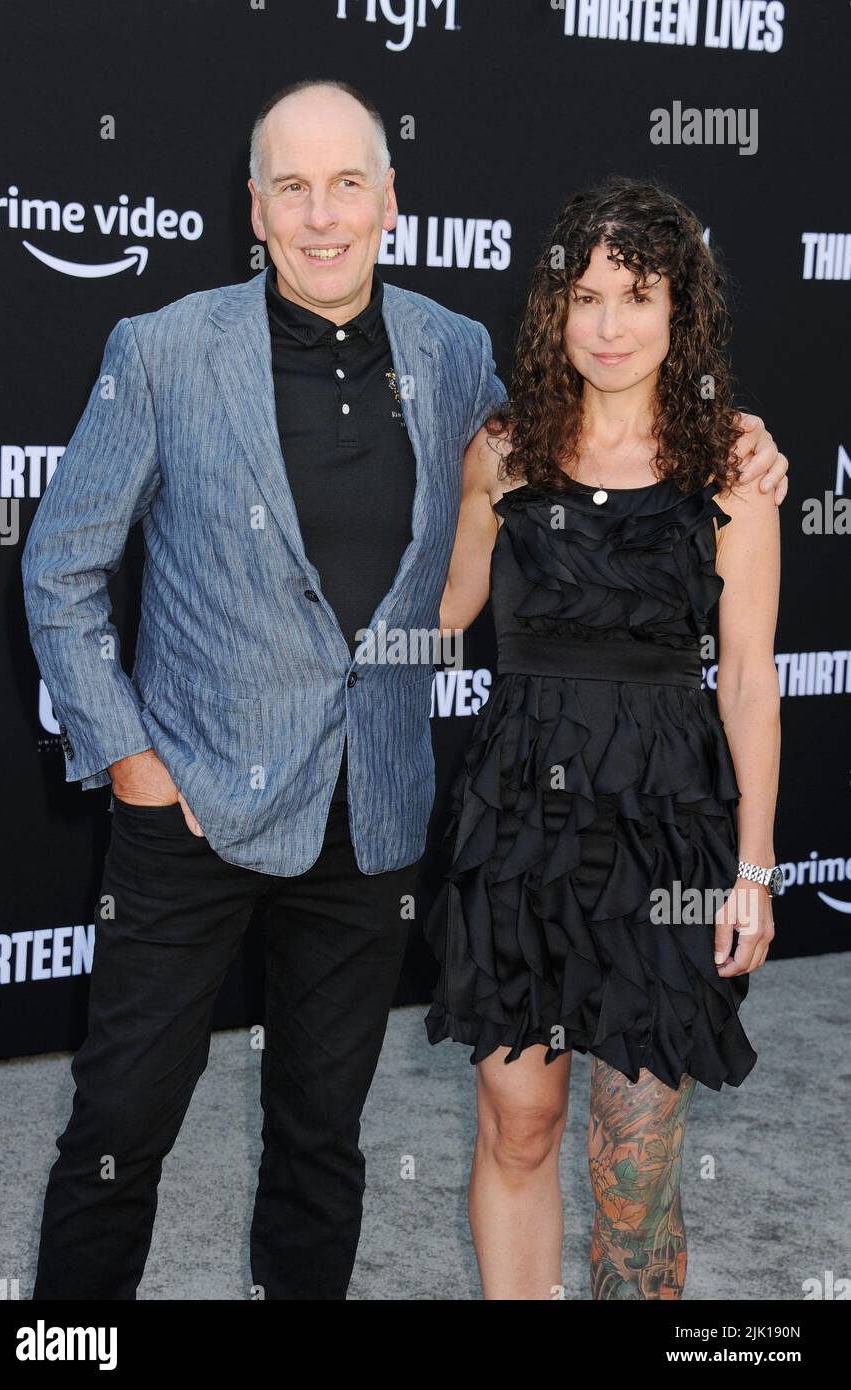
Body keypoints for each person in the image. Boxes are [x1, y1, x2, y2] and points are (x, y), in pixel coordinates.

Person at [21, 77, 512, 1301]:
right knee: (119, 1130)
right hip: (187, 809)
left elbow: (581, 438)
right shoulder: (165, 348)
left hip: (371, 814)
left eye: (348, 181)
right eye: (292, 186)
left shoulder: (457, 353)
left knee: (319, 1139)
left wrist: (737, 446)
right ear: (254, 207)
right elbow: (61, 565)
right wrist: (131, 759)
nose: (322, 213)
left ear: (393, 201)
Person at [424, 175, 783, 1301]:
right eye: (587, 297)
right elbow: (440, 612)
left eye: (638, 296)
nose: (611, 325)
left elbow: (752, 684)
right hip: (520, 827)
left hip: (664, 839)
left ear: (683, 313)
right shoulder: (502, 451)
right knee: (519, 1129)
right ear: (554, 309)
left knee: (632, 1176)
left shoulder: (734, 467)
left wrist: (754, 871)